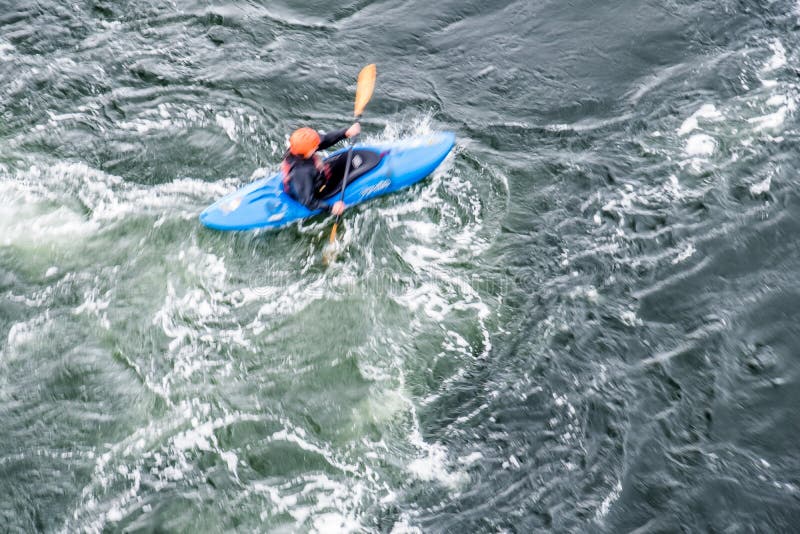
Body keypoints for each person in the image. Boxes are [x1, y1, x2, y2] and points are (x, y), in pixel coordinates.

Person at [282, 123, 361, 215]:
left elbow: (324, 140)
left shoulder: (298, 147)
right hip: (311, 192)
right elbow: (308, 201)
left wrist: (345, 133)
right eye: (315, 146)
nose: (317, 146)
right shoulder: (301, 172)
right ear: (307, 151)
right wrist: (331, 208)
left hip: (313, 178)